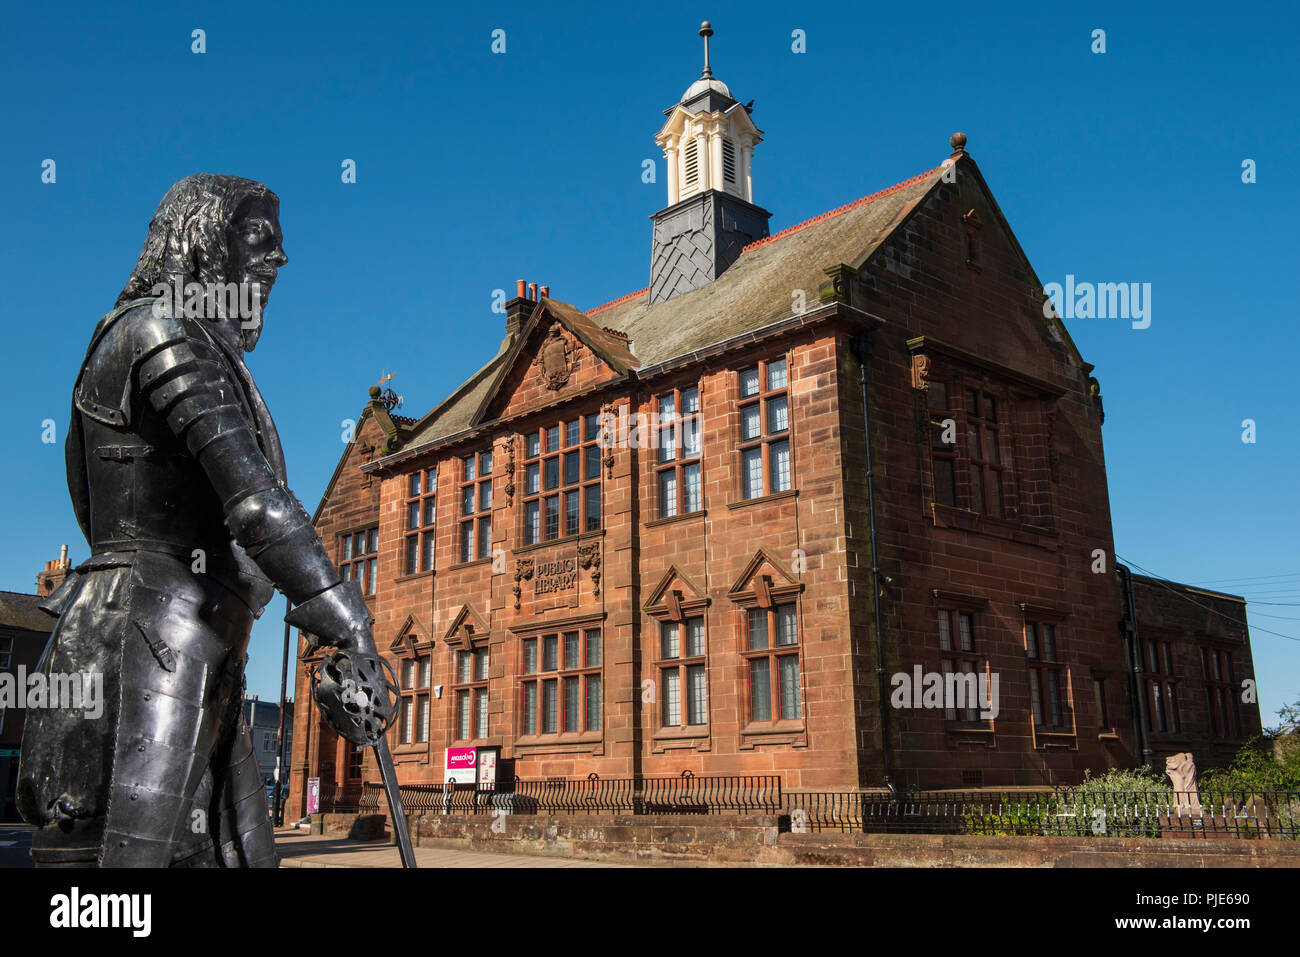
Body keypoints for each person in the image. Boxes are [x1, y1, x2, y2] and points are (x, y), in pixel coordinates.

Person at [18, 174, 374, 867]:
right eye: (259, 237)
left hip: (195, 640)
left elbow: (88, 499)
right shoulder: (163, 328)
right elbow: (255, 502)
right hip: (156, 638)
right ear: (203, 239)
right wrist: (350, 621)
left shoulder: (178, 338)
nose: (278, 258)